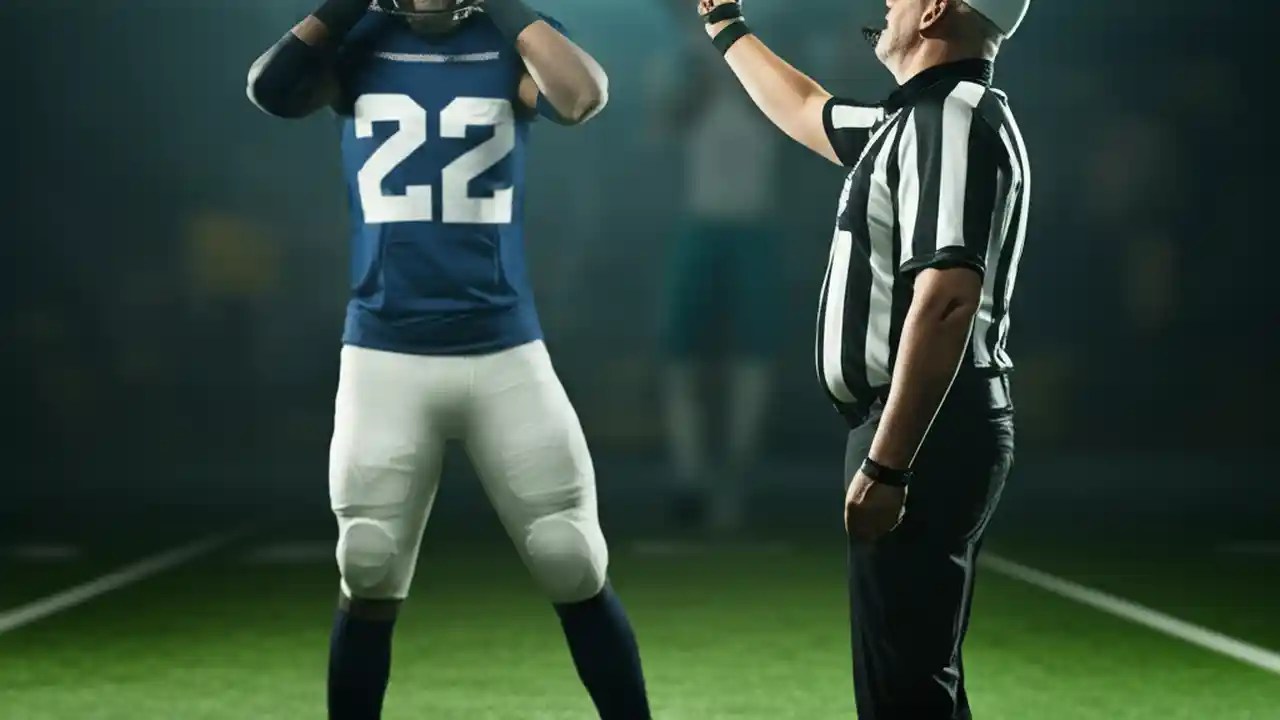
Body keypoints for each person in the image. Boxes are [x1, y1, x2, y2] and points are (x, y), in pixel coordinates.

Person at [246, 2, 651, 718]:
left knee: (570, 556)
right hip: (384, 356)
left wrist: (505, 7)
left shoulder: (509, 37)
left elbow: (582, 96)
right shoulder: (359, 40)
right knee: (368, 562)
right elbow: (273, 89)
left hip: (504, 352)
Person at [694, 0, 1032, 717]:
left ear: (935, 10)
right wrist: (724, 23)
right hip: (923, 424)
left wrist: (888, 463)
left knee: (903, 693)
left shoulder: (950, 118)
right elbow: (804, 109)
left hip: (927, 427)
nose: (886, 3)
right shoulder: (914, 119)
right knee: (912, 681)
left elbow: (947, 298)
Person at [648, 1, 782, 533]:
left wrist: (730, 57)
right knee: (679, 355)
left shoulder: (764, 56)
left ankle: (735, 478)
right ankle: (690, 476)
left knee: (752, 356)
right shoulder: (676, 64)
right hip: (699, 224)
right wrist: (701, 69)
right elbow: (661, 128)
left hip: (754, 225)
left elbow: (781, 116)